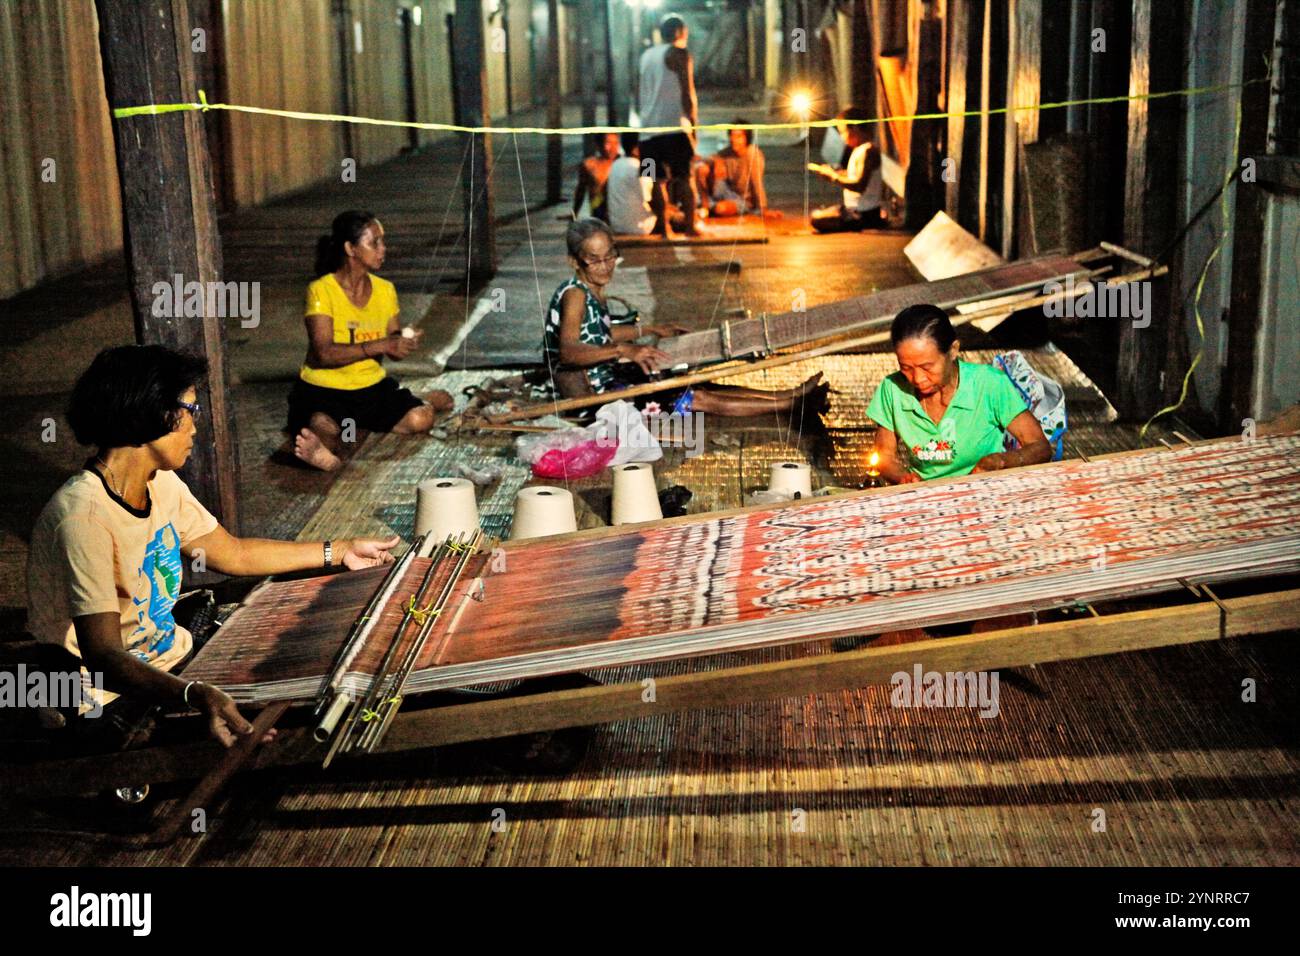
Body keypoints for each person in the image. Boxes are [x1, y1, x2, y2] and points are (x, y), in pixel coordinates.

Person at [26, 345, 402, 753]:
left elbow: (233, 553)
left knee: (330, 668)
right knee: (296, 729)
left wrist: (340, 550)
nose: (194, 427)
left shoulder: (158, 482)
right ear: (152, 412)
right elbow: (103, 657)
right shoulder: (84, 516)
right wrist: (194, 695)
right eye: (189, 410)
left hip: (170, 661)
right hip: (108, 700)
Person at [543, 218, 827, 416]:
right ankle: (791, 406)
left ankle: (788, 394)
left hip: (607, 379)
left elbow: (599, 334)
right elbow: (568, 351)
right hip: (596, 399)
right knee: (692, 398)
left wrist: (651, 329)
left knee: (690, 382)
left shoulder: (591, 289)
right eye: (594, 260)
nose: (605, 267)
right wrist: (623, 350)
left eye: (609, 256)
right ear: (574, 261)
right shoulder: (575, 294)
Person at [289, 211, 453, 472]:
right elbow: (323, 354)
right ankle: (326, 456)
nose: (383, 249)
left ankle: (427, 401)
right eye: (374, 243)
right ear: (350, 248)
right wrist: (382, 345)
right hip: (324, 389)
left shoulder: (385, 290)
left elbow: (395, 350)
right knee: (322, 426)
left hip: (370, 387)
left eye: (382, 242)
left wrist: (403, 342)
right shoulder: (321, 290)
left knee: (420, 419)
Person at [866, 305, 1052, 483]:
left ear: (953, 350)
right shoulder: (892, 389)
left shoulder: (989, 384)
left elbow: (1040, 447)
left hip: (983, 488)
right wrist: (904, 478)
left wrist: (1001, 461)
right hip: (923, 492)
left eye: (927, 367)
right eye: (906, 368)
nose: (918, 378)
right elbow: (884, 456)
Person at [638, 14, 701, 238]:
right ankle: (691, 227)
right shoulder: (679, 54)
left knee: (655, 180)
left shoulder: (645, 56)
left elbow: (638, 93)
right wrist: (693, 126)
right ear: (680, 33)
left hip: (647, 131)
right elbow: (687, 91)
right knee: (685, 177)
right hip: (674, 127)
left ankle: (664, 229)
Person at [807, 106, 883, 233]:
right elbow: (853, 175)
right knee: (817, 214)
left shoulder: (869, 151)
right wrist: (833, 172)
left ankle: (869, 221)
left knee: (817, 219)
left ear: (856, 128)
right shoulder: (859, 150)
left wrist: (834, 177)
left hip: (862, 214)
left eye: (843, 132)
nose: (842, 137)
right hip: (853, 210)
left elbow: (859, 185)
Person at [697, 120, 774, 218]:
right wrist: (716, 162)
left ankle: (706, 207)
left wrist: (763, 208)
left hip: (743, 199)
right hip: (727, 192)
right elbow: (709, 158)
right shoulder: (728, 152)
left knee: (720, 209)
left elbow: (757, 183)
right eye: (732, 136)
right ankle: (705, 205)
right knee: (702, 169)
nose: (733, 140)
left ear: (747, 138)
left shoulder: (753, 155)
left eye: (738, 137)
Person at [606, 132, 657, 236]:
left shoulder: (615, 164)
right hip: (642, 227)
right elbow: (653, 200)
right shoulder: (647, 164)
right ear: (637, 147)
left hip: (617, 226)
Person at [572, 132, 622, 222]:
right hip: (599, 216)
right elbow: (580, 191)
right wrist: (574, 213)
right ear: (598, 145)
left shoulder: (624, 163)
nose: (613, 147)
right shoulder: (589, 165)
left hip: (620, 214)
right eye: (608, 143)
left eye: (616, 143)